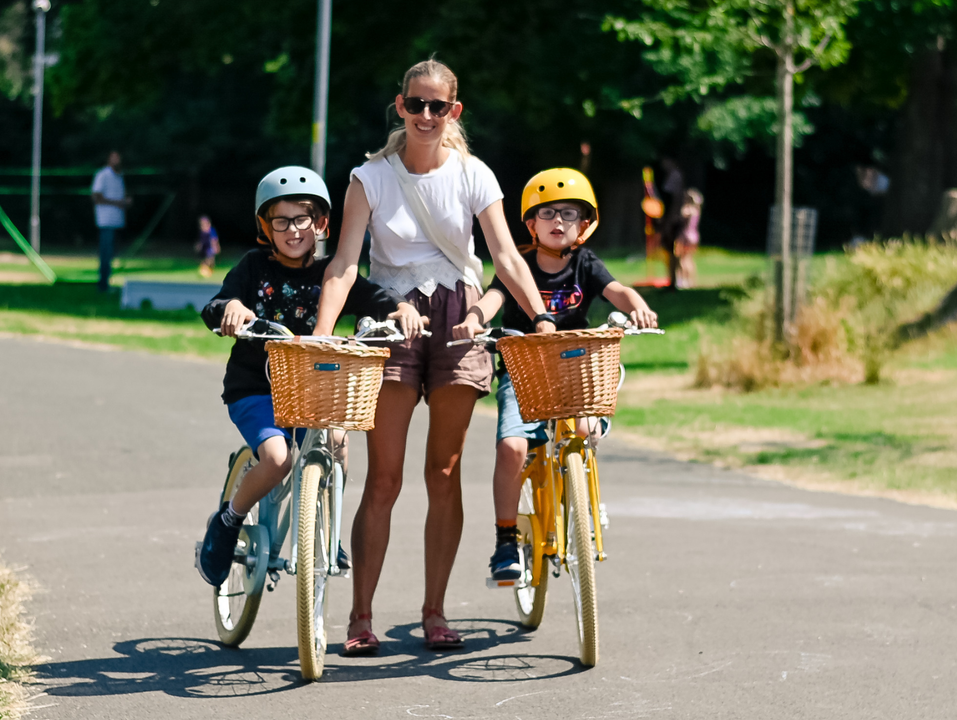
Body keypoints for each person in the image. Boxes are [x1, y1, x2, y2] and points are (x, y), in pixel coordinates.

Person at [312, 58, 555, 655]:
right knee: (385, 477)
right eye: (415, 104)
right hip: (394, 321)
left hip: (457, 322)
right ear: (400, 106)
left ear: (454, 111)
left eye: (437, 106)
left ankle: (434, 613)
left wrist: (542, 315)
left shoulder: (474, 174)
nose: (425, 115)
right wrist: (322, 332)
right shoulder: (370, 178)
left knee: (443, 476)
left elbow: (506, 256)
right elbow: (345, 263)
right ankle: (361, 618)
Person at [195, 167, 420, 588]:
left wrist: (401, 308)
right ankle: (228, 520)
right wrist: (231, 310)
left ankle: (326, 527)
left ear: (321, 224)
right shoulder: (253, 267)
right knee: (278, 459)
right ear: (266, 226)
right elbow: (217, 304)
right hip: (256, 389)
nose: (293, 230)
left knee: (338, 441)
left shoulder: (331, 274)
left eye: (303, 219)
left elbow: (377, 296)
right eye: (281, 221)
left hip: (313, 390)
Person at [451, 168, 658, 580]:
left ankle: (581, 504)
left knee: (584, 429)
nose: (558, 222)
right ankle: (506, 539)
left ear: (584, 223)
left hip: (574, 372)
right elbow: (493, 297)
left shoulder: (585, 263)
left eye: (569, 213)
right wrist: (474, 318)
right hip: (523, 373)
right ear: (530, 223)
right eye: (547, 214)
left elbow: (618, 290)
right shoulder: (519, 264)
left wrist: (637, 304)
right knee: (512, 447)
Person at [91, 151, 131, 292]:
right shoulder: (103, 175)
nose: (117, 160)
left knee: (112, 254)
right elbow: (96, 196)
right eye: (114, 157)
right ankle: (103, 285)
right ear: (108, 159)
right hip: (105, 221)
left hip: (116, 221)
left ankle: (106, 282)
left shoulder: (119, 176)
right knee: (106, 254)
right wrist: (118, 203)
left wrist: (125, 202)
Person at [658, 156, 684, 289]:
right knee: (668, 251)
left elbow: (674, 200)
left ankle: (674, 281)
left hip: (672, 220)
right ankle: (671, 279)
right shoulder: (672, 176)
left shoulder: (675, 176)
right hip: (670, 218)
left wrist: (669, 220)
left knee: (673, 251)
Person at [676, 189, 703, 288]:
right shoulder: (697, 210)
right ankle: (691, 280)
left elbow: (680, 215)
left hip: (685, 236)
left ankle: (683, 280)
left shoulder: (688, 209)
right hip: (694, 236)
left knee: (682, 259)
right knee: (689, 259)